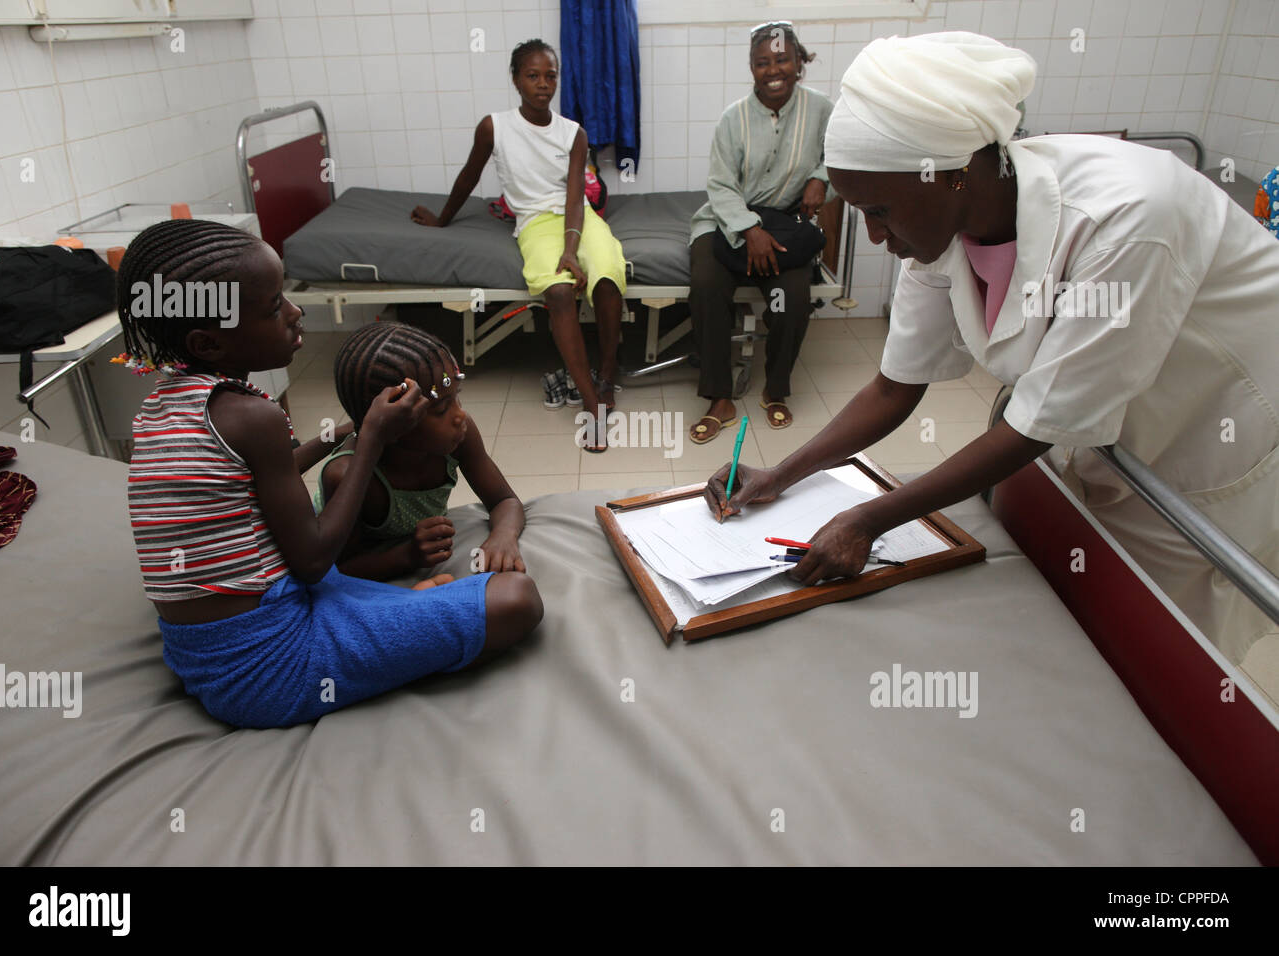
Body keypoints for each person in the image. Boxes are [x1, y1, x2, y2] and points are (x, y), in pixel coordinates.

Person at [706, 31, 1279, 665]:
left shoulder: (1128, 217)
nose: (872, 235)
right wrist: (780, 476)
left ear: (954, 175)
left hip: (1219, 423)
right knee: (1082, 598)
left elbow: (1034, 425)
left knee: (1166, 632)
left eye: (879, 211)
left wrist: (869, 520)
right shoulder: (939, 225)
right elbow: (896, 387)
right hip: (1111, 425)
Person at [119, 219, 542, 728]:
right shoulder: (255, 418)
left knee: (369, 592)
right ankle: (405, 630)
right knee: (516, 601)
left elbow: (254, 478)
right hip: (266, 670)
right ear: (208, 343)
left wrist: (341, 431)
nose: (296, 313)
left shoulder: (167, 403)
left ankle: (400, 611)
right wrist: (371, 441)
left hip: (205, 649)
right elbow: (316, 563)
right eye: (275, 305)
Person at [412, 38, 627, 452]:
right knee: (560, 292)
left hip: (578, 218)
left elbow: (573, 197)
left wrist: (572, 246)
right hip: (535, 223)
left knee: (606, 278)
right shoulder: (495, 126)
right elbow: (469, 176)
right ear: (516, 80)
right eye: (533, 75)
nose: (543, 84)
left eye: (550, 76)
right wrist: (442, 219)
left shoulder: (574, 134)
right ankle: (591, 402)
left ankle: (607, 376)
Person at [687, 21, 835, 444]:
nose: (773, 70)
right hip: (724, 220)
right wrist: (749, 229)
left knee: (792, 295)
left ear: (799, 62)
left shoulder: (822, 110)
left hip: (785, 224)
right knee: (706, 283)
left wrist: (821, 178)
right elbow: (719, 184)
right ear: (751, 68)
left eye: (782, 59)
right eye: (762, 62)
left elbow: (841, 157)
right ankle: (719, 397)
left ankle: (776, 388)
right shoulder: (733, 119)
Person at [316, 321, 527, 581]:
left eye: (456, 396)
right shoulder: (346, 475)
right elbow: (341, 568)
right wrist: (408, 555)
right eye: (440, 409)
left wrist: (502, 538)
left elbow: (505, 501)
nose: (460, 415)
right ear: (391, 422)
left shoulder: (460, 433)